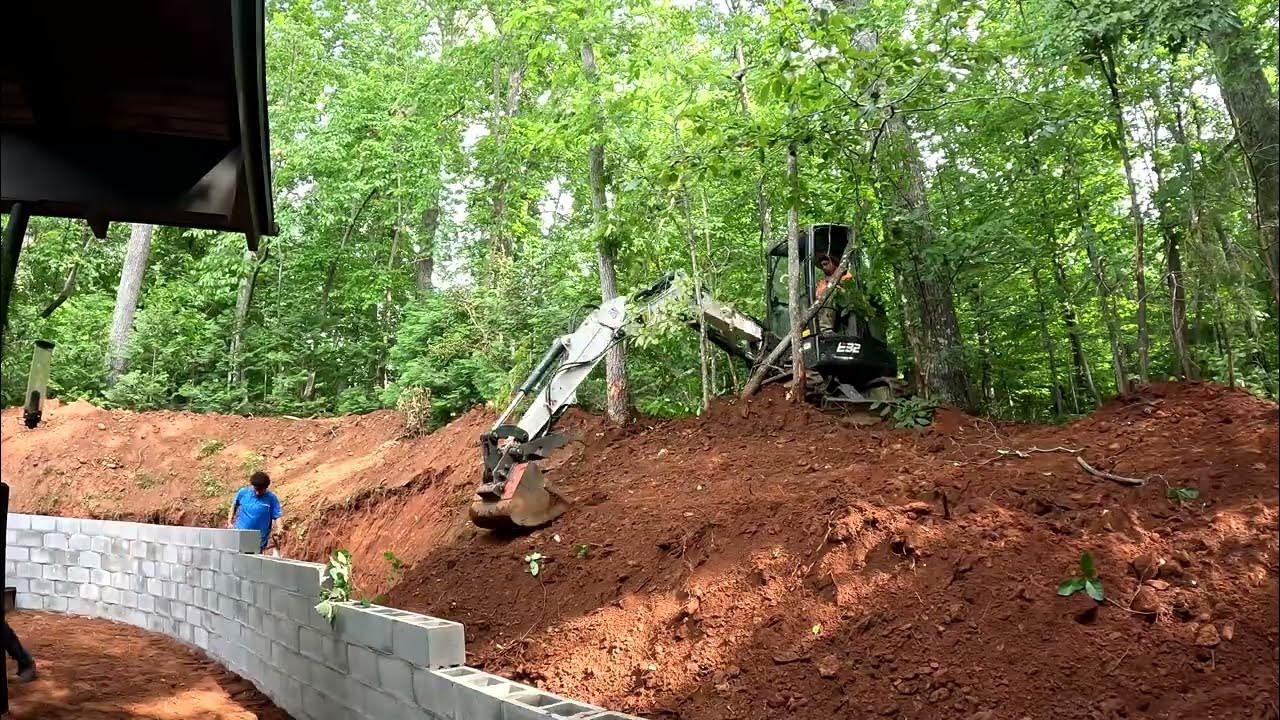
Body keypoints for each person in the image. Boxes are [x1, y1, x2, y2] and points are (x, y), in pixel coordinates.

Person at [227, 471, 282, 553]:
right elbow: (234, 505)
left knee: (253, 560)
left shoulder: (271, 498)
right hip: (239, 535)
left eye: (260, 490)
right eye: (256, 489)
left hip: (258, 540)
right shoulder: (243, 493)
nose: (257, 492)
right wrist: (229, 521)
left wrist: (280, 528)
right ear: (252, 485)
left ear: (266, 488)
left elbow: (277, 515)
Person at [815, 254, 853, 335]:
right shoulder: (821, 283)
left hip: (844, 304)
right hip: (825, 309)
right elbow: (817, 295)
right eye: (822, 266)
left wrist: (833, 283)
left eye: (826, 264)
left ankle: (826, 330)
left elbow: (846, 288)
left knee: (831, 293)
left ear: (834, 263)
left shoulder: (846, 275)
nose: (824, 267)